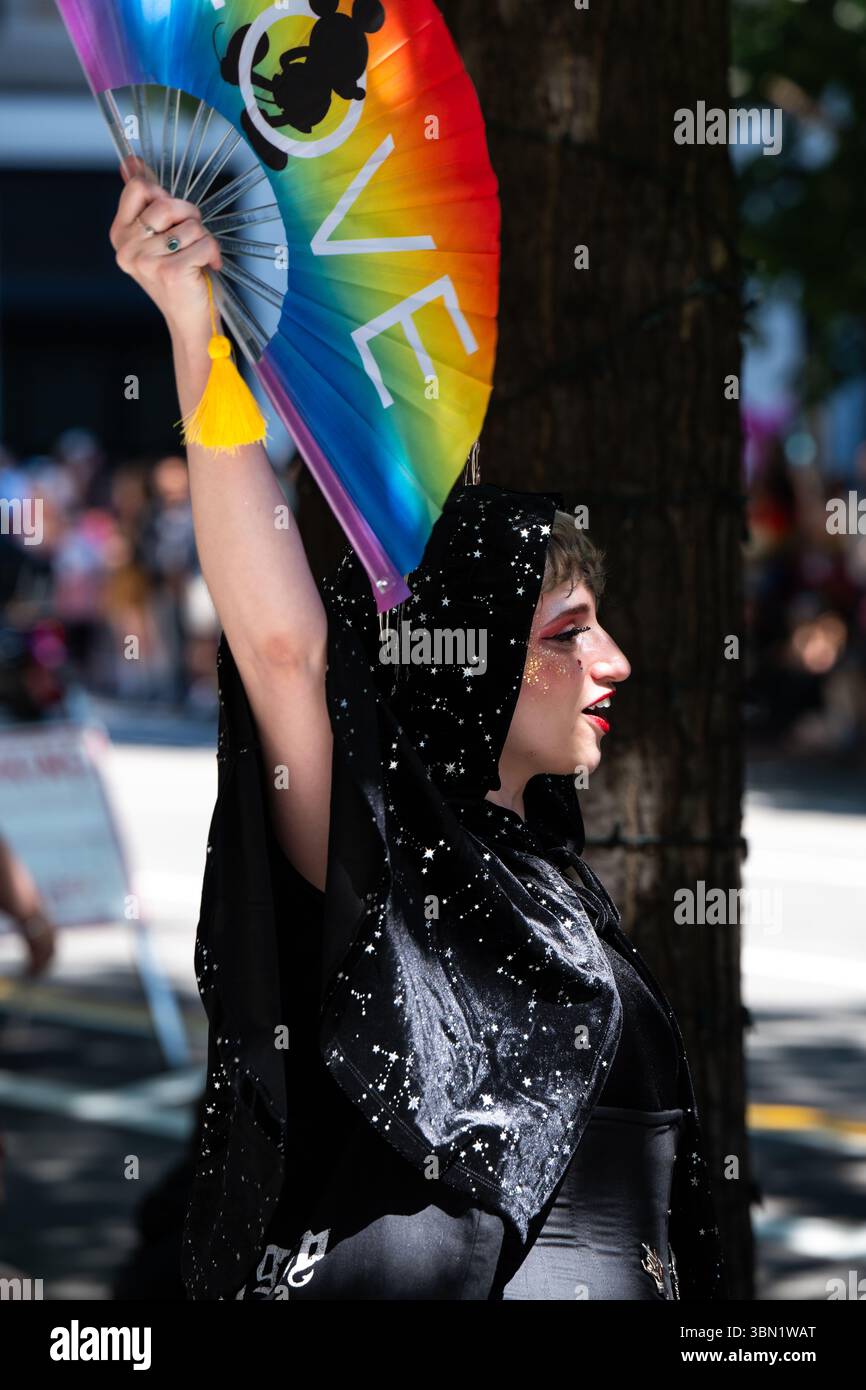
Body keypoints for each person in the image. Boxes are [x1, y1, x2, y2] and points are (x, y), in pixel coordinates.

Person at [109, 166, 728, 1302]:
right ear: (473, 664)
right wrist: (197, 329)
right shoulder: (385, 869)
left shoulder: (552, 883)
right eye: (570, 631)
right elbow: (283, 649)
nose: (614, 665)